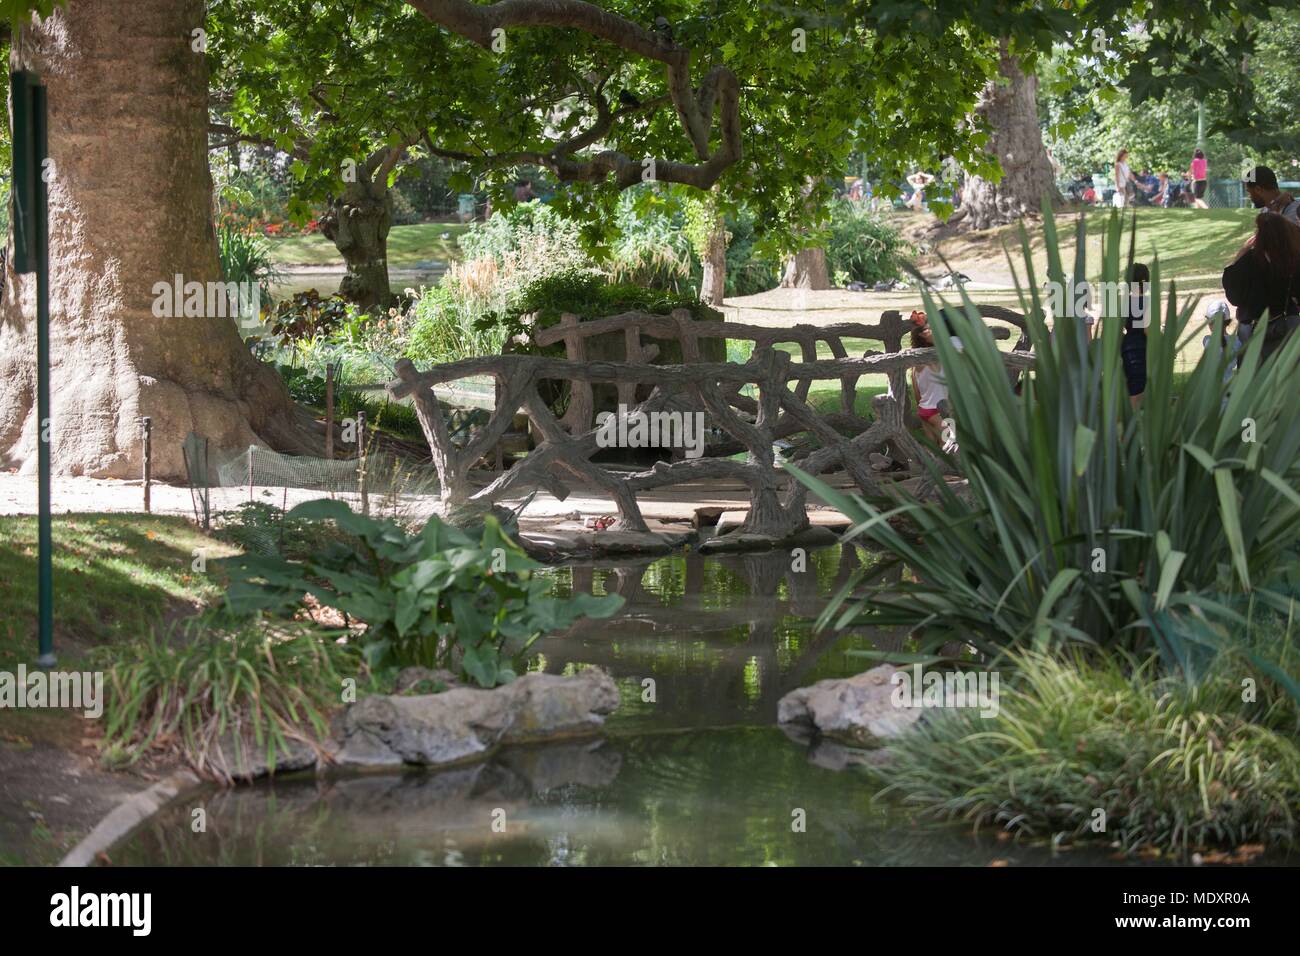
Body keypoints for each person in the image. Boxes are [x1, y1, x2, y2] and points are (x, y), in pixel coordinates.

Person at [1222, 210, 1300, 364]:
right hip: (1287, 325)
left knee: (1252, 380)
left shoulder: (1248, 262)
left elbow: (1234, 296)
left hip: (1251, 328)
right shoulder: (1293, 260)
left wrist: (1241, 253)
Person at [1121, 263, 1150, 408]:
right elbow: (1147, 330)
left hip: (1126, 346)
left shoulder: (1123, 302)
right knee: (1139, 392)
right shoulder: (1146, 302)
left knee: (1130, 386)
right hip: (1141, 348)